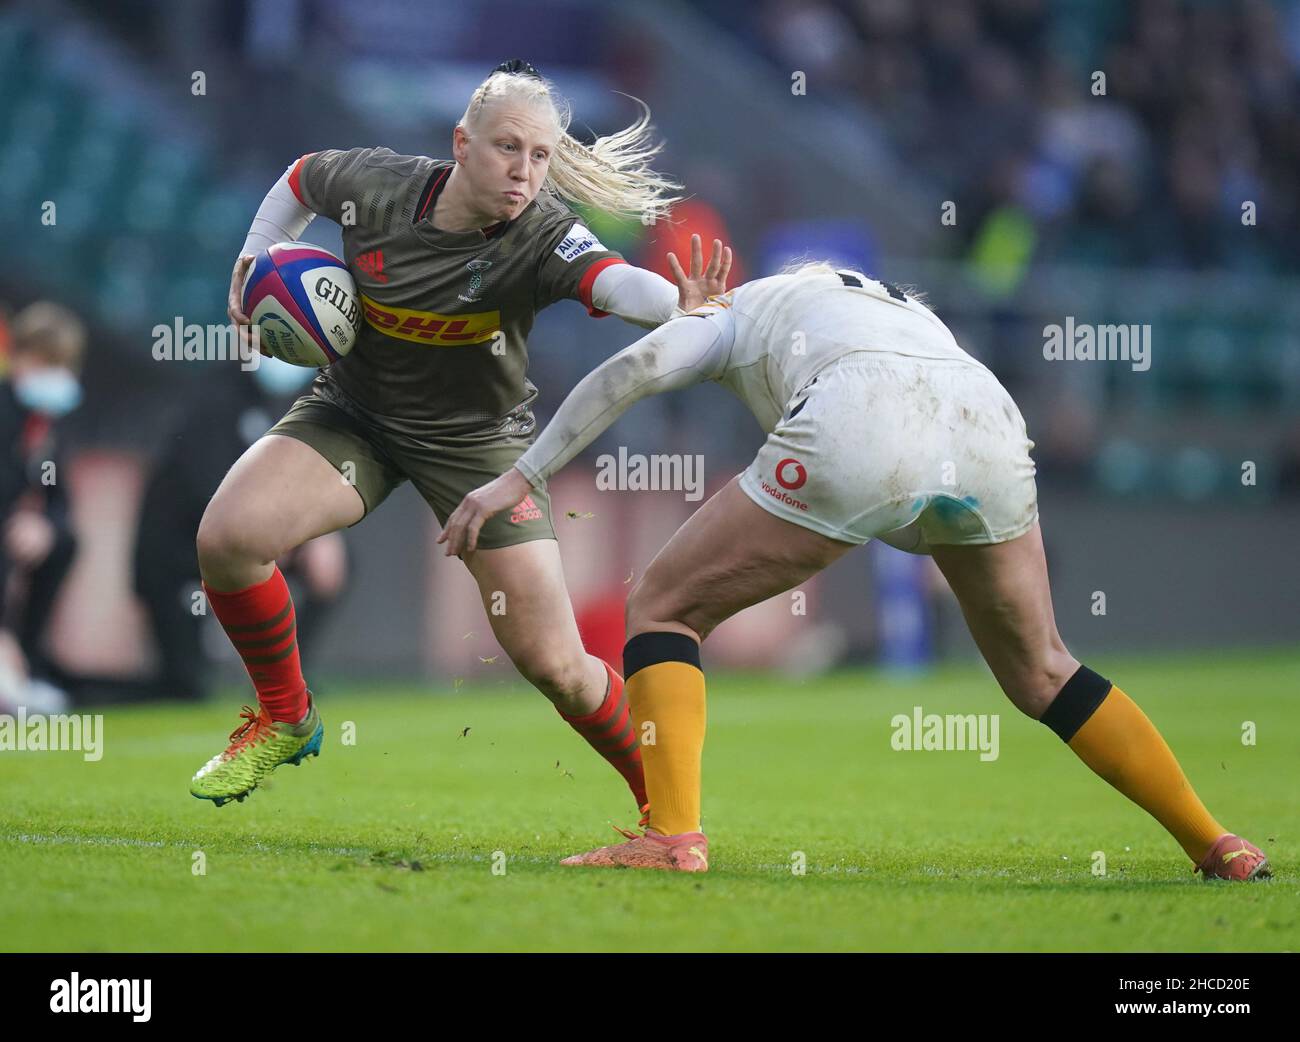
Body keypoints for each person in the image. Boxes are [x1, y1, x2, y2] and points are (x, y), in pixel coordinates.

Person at [439, 262, 1270, 882]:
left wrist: (525, 474)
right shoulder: (866, 296)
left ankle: (675, 836)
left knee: (663, 606)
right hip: (982, 410)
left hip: (861, 415)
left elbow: (638, 369)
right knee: (1044, 669)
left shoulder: (732, 310)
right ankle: (1213, 841)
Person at [189, 60, 732, 812]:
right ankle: (286, 716)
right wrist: (253, 260)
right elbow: (300, 177)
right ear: (461, 144)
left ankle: (666, 804)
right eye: (509, 147)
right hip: (357, 415)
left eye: (541, 156)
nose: (525, 172)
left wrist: (680, 306)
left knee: (557, 665)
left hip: (481, 448)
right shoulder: (374, 184)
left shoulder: (541, 235)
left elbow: (613, 281)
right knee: (228, 537)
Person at [135, 359, 345, 702]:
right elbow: (208, 492)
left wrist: (316, 532)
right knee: (184, 689)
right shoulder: (213, 400)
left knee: (334, 558)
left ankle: (288, 676)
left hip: (251, 542)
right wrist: (272, 530)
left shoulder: (300, 402)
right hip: (181, 555)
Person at [0, 301, 85, 712]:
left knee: (64, 541)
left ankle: (28, 666)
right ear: (19, 357)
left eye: (63, 364)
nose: (56, 374)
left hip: (20, 533)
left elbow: (59, 499)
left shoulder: (49, 424)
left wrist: (45, 524)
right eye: (46, 361)